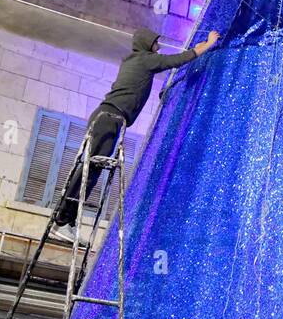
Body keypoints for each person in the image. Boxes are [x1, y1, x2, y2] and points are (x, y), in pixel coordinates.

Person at [50, 26, 220, 243]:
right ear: (146, 44)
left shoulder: (135, 60)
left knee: (91, 170)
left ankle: (67, 220)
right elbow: (175, 61)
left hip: (109, 118)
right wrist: (209, 43)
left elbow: (176, 58)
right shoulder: (144, 60)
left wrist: (198, 48)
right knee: (89, 170)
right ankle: (62, 220)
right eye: (155, 42)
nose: (158, 45)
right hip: (109, 118)